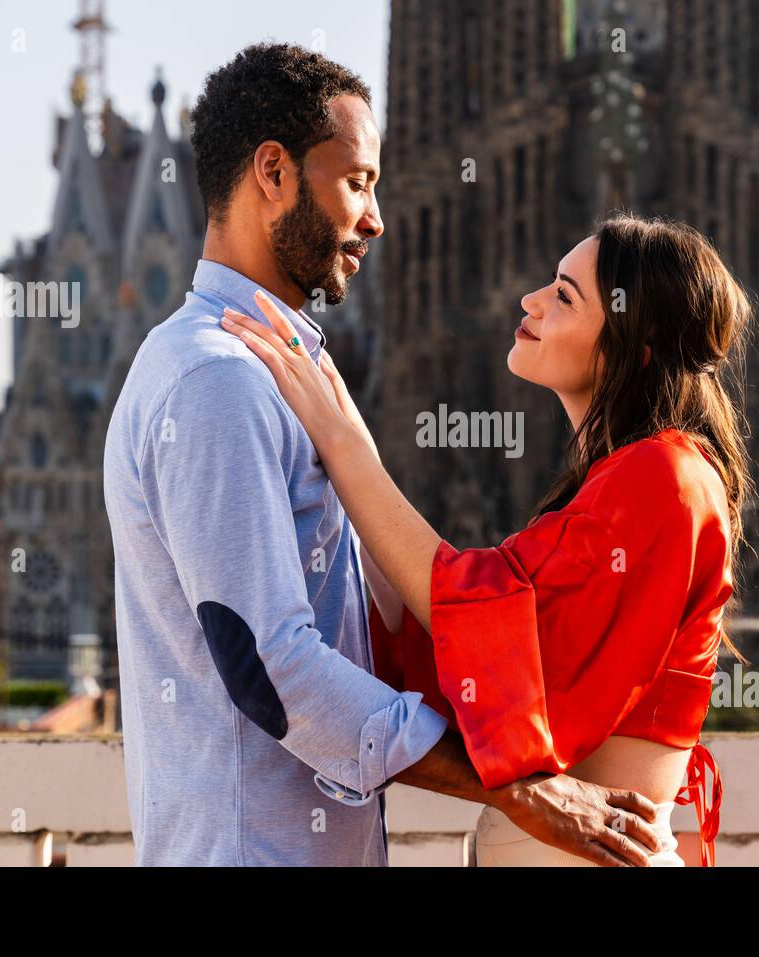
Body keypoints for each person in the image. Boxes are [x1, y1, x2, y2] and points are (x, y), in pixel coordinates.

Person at [103, 42, 663, 866]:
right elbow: (272, 668)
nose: (376, 217)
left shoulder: (274, 369)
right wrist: (515, 783)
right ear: (274, 173)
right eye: (358, 181)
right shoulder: (213, 381)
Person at [221, 211, 753, 866]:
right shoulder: (628, 477)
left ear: (632, 346)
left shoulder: (667, 475)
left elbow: (497, 638)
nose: (529, 301)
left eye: (563, 295)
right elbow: (468, 652)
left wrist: (348, 450)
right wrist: (338, 459)